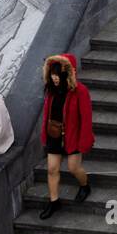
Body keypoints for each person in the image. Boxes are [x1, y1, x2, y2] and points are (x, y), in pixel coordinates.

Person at [39, 53, 94, 220]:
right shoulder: (51, 91)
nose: (55, 78)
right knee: (52, 169)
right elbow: (47, 114)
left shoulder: (80, 91)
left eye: (58, 75)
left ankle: (85, 185)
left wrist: (84, 140)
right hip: (54, 134)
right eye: (52, 74)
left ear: (67, 73)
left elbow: (86, 118)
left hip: (72, 136)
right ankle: (54, 201)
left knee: (73, 168)